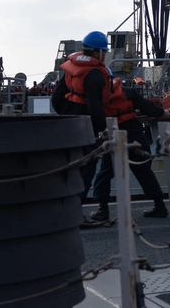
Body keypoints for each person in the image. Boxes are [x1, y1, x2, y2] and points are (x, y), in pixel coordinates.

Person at [88, 85, 170, 222]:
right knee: (145, 173)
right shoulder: (127, 92)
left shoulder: (97, 97)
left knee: (104, 175)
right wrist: (162, 112)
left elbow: (95, 117)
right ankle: (160, 206)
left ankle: (103, 209)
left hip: (114, 137)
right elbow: (146, 106)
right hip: (135, 136)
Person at [58, 31, 115, 227]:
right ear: (98, 52)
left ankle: (65, 210)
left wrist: (65, 116)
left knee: (71, 168)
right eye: (104, 52)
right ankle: (75, 213)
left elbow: (56, 98)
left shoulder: (70, 69)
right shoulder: (95, 74)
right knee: (87, 169)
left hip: (69, 122)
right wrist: (102, 129)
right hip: (86, 127)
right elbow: (94, 107)